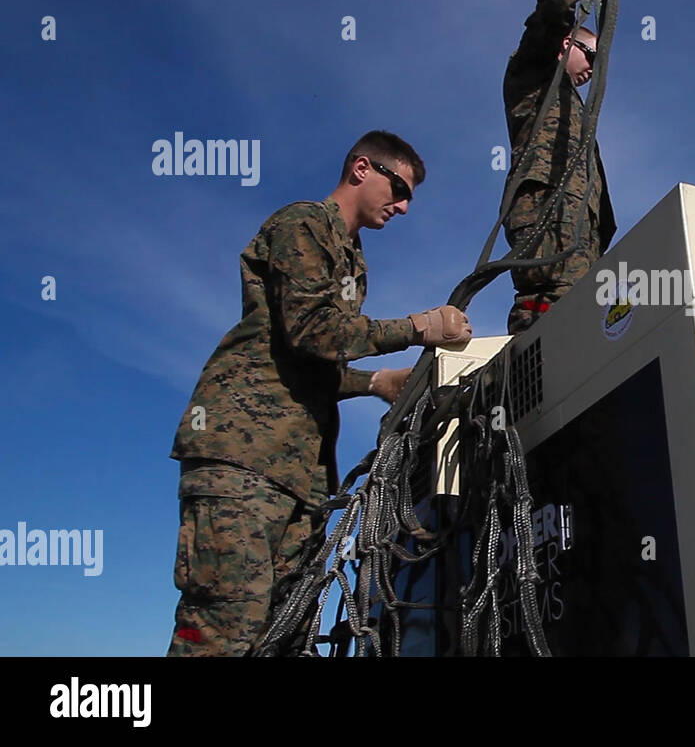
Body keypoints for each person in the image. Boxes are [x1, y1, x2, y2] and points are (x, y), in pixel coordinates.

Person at [166, 130, 473, 656]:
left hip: (299, 477)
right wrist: (419, 326)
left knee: (284, 636)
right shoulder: (304, 224)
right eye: (398, 188)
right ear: (361, 169)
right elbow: (313, 331)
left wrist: (375, 382)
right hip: (242, 459)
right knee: (224, 630)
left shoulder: (353, 263)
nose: (402, 206)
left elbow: (314, 362)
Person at [501, 0, 619, 334]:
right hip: (547, 243)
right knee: (547, 334)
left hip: (580, 251)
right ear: (564, 45)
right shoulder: (533, 76)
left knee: (586, 336)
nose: (592, 68)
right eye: (589, 54)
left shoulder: (574, 108)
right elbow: (554, 5)